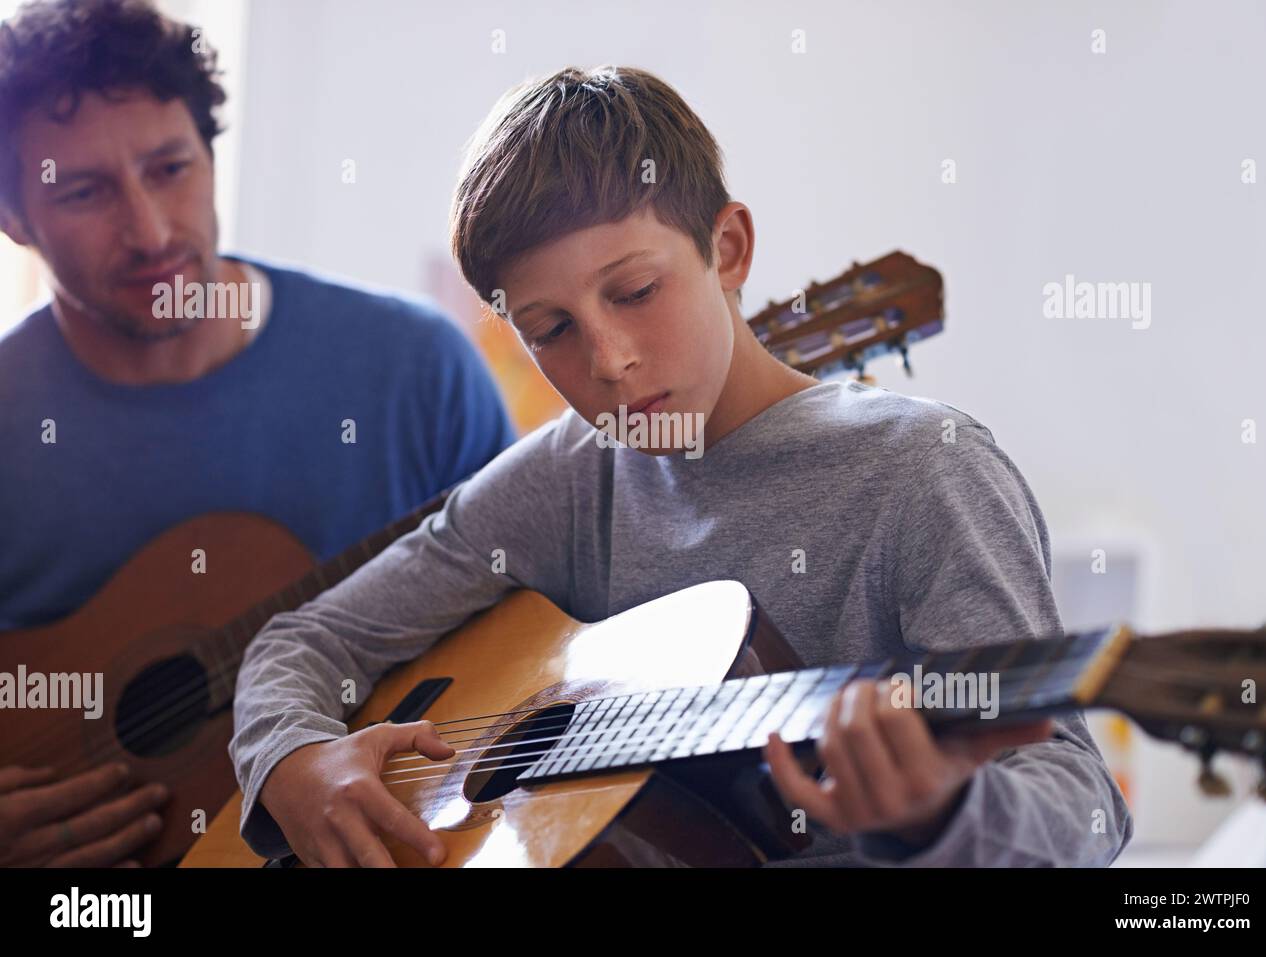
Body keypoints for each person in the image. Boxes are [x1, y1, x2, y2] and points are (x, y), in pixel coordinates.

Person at [229, 65, 1135, 867]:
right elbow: (302, 641)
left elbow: (1084, 808)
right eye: (552, 330)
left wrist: (948, 816)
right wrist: (291, 759)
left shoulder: (923, 472)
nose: (610, 359)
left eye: (635, 292)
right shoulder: (569, 479)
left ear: (729, 248)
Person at [0, 0, 514, 867]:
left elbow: (536, 624)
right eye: (83, 191)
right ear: (14, 219)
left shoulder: (413, 368)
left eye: (171, 168)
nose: (152, 231)